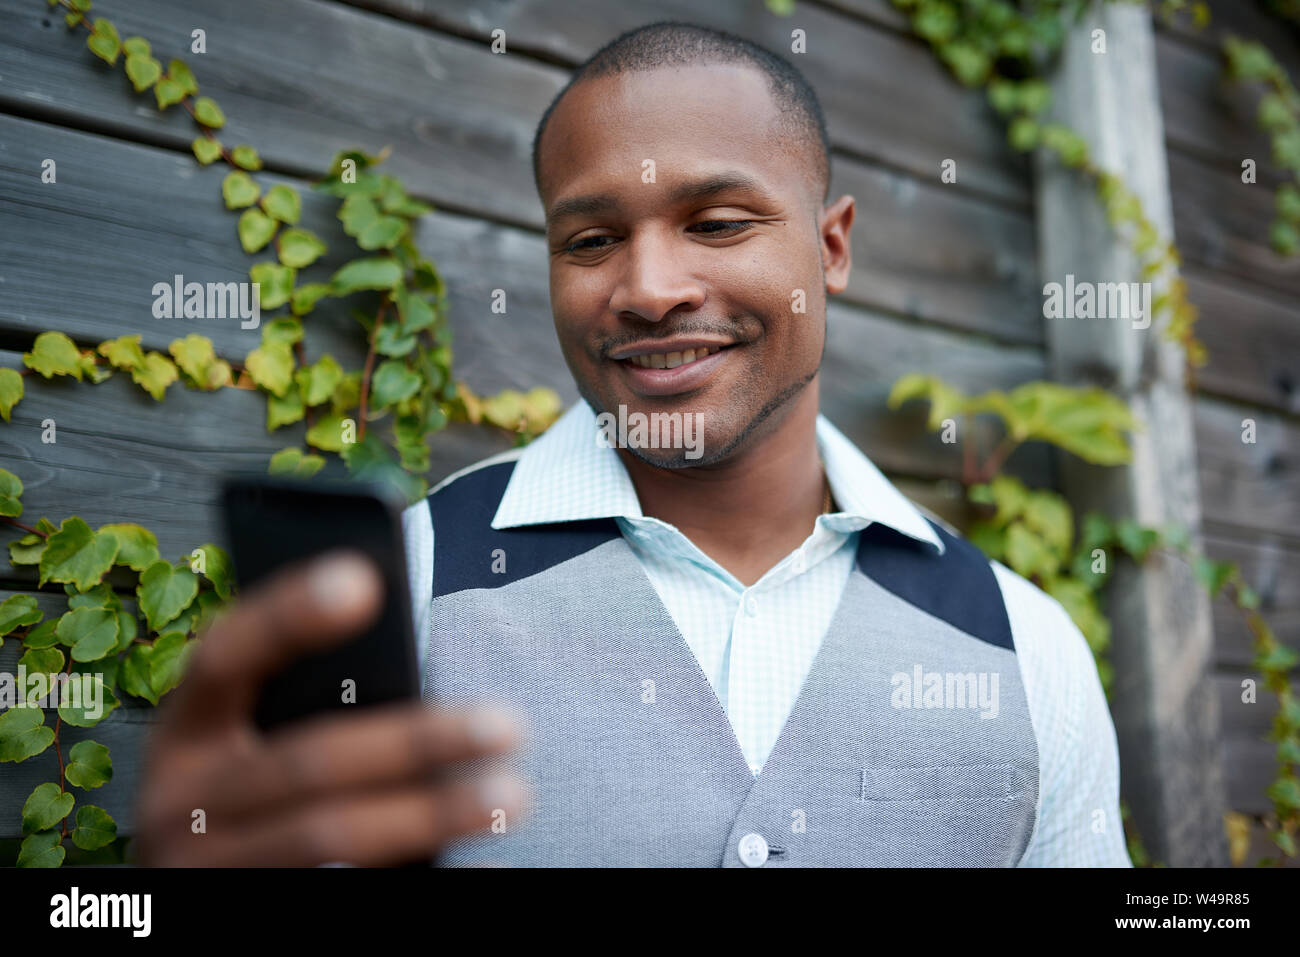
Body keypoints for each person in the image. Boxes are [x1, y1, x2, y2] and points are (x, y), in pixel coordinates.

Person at [136, 20, 1131, 867]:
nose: (649, 289)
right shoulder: (414, 581)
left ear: (829, 248)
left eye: (718, 221)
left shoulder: (1023, 647)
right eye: (592, 241)